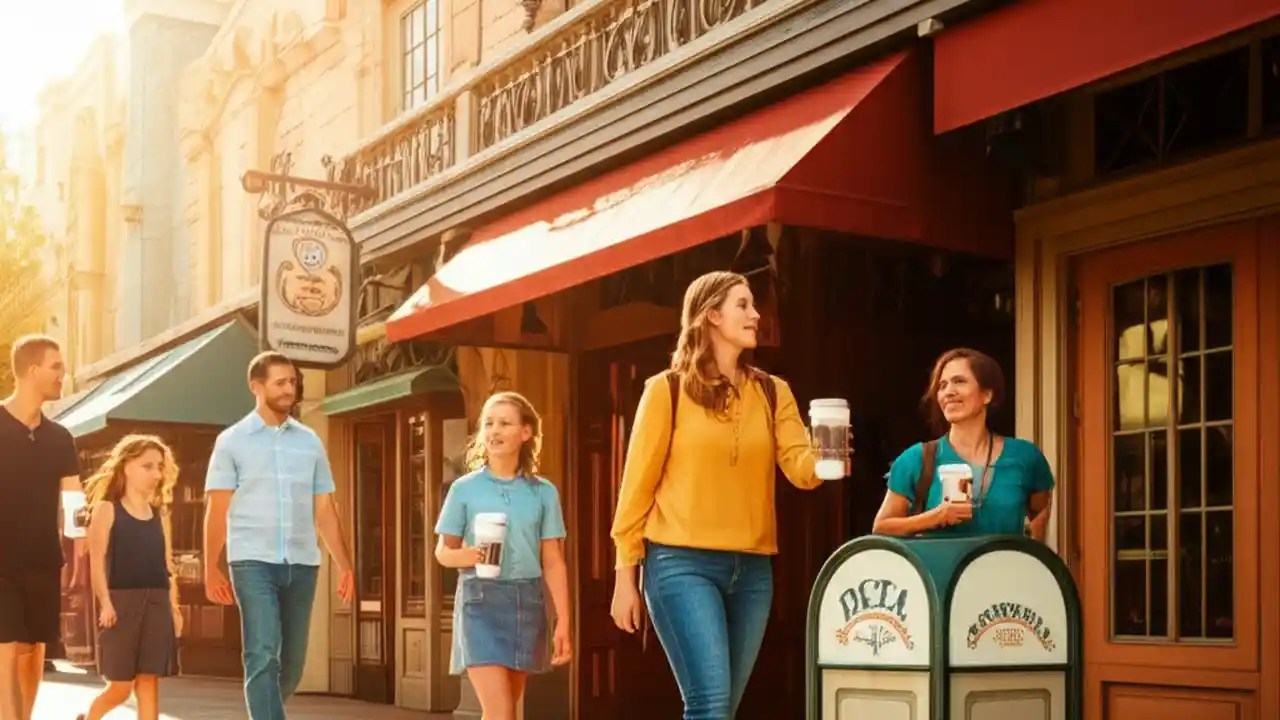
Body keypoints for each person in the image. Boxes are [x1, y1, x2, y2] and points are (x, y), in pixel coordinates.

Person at [609, 271, 828, 720]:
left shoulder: (773, 391)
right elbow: (635, 490)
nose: (756, 314)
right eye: (743, 305)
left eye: (754, 305)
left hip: (752, 571)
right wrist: (624, 577)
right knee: (709, 704)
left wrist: (830, 449)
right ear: (712, 314)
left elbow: (802, 471)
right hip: (680, 563)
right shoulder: (665, 390)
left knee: (722, 708)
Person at [203, 352, 355, 719]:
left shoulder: (310, 442)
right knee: (261, 651)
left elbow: (325, 510)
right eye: (280, 382)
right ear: (256, 387)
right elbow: (217, 510)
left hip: (302, 564)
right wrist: (211, 566)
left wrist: (345, 564)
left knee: (294, 663)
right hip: (252, 562)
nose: (290, 389)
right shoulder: (231, 441)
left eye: (293, 382)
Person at [435, 391, 572, 720]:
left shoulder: (543, 492)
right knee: (500, 711)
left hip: (527, 601)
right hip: (479, 601)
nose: (494, 431)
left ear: (526, 433)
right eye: (489, 424)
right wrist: (469, 555)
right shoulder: (464, 489)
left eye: (505, 423)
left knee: (507, 709)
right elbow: (442, 553)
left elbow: (553, 560)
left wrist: (564, 621)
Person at [872, 347, 1054, 539]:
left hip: (1005, 568)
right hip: (938, 568)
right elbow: (882, 527)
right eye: (942, 385)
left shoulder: (1025, 457)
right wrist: (936, 517)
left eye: (959, 381)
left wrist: (1032, 558)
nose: (948, 392)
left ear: (987, 395)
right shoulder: (917, 458)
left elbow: (1040, 511)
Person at [0, 335, 81, 720]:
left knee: (33, 653)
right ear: (32, 371)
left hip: (43, 562)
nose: (63, 375)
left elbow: (74, 503)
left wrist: (83, 550)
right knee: (6, 647)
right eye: (56, 367)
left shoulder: (61, 438)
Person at [78, 435, 182, 720]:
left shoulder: (160, 514)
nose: (156, 474)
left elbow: (166, 564)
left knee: (149, 682)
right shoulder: (107, 509)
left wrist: (173, 608)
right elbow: (96, 560)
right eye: (147, 466)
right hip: (121, 605)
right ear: (126, 466)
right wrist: (105, 603)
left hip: (157, 603)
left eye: (159, 466)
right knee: (121, 687)